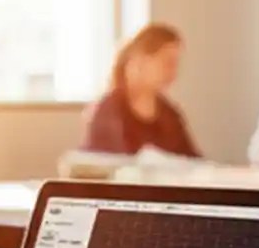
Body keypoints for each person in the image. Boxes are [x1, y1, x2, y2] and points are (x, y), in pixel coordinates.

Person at [81, 23, 201, 158]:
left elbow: (192, 161)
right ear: (141, 61)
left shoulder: (170, 114)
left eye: (175, 63)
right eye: (168, 62)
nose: (174, 71)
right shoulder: (109, 111)